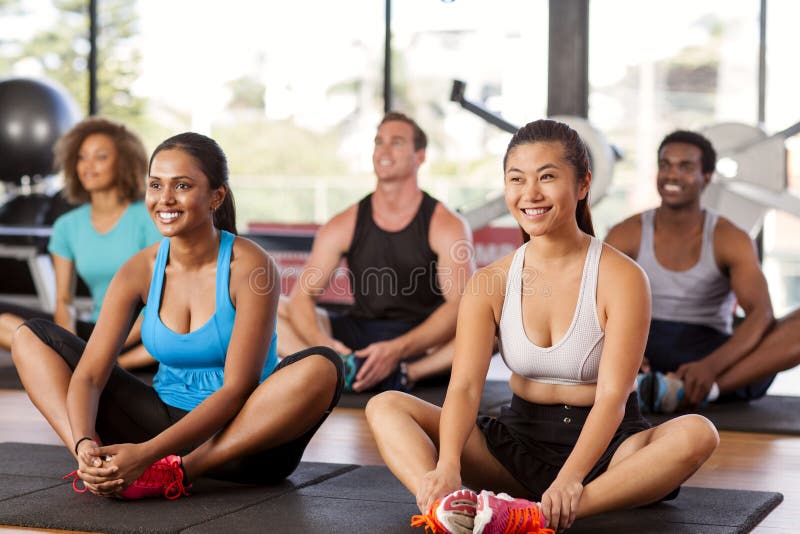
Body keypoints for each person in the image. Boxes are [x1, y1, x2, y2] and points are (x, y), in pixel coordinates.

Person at [366, 120, 719, 533]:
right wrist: (447, 466)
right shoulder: (490, 282)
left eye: (547, 177)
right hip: (517, 442)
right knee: (385, 405)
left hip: (607, 450)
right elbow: (463, 388)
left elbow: (612, 396)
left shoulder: (621, 277)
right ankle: (446, 508)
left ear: (583, 183)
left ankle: (531, 516)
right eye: (517, 179)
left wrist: (570, 479)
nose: (530, 194)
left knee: (699, 432)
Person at [11, 132, 343, 500]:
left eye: (182, 185)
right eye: (156, 185)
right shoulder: (139, 270)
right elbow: (90, 375)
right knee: (30, 338)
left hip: (243, 442)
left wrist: (149, 455)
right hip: (160, 421)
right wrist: (84, 442)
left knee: (324, 366)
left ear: (216, 195)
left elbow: (237, 389)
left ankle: (178, 473)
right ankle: (96, 467)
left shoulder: (250, 265)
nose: (165, 199)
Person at [277, 112, 474, 392]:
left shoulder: (446, 224)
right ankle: (331, 368)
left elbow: (459, 305)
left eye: (396, 142)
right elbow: (302, 297)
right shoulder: (344, 223)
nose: (383, 150)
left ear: (420, 156)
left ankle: (406, 374)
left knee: (491, 321)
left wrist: (397, 350)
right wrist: (326, 346)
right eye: (378, 142)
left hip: (423, 341)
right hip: (358, 335)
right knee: (270, 307)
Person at [605, 130, 800, 413]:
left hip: (706, 351)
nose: (672, 175)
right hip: (641, 345)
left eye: (685, 167)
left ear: (707, 177)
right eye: (665, 165)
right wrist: (623, 352)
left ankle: (696, 390)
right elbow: (594, 304)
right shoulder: (626, 233)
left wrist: (711, 367)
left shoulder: (729, 237)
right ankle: (644, 385)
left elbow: (761, 315)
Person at [0, 117, 162, 370]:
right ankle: (75, 363)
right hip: (93, 331)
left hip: (139, 333)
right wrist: (68, 340)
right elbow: (63, 301)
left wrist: (105, 350)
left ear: (123, 162)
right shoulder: (67, 225)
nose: (88, 166)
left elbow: (157, 304)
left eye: (100, 157)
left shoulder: (148, 219)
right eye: (82, 157)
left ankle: (91, 367)